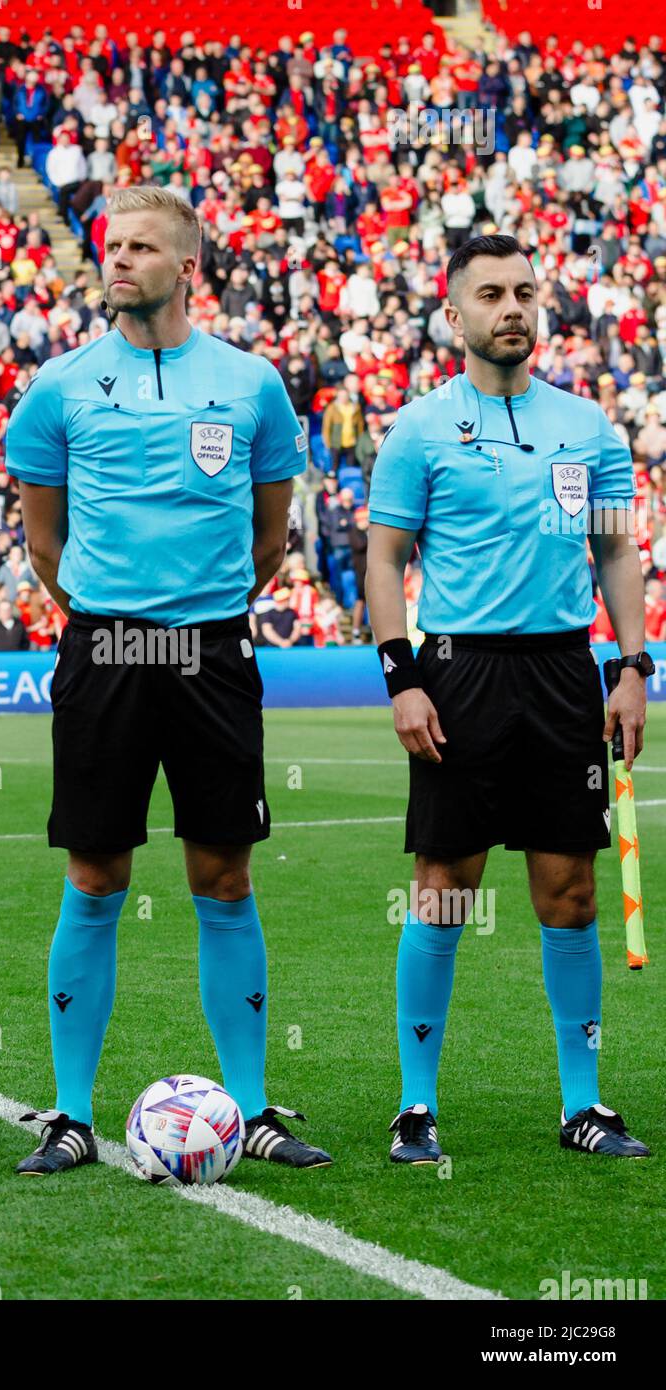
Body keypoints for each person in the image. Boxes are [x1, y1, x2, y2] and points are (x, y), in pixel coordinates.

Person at [6, 185, 332, 1176]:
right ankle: (68, 1112)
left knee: (221, 876)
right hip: (103, 651)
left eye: (141, 247)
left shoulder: (249, 384)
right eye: (112, 245)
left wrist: (195, 605)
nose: (118, 261)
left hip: (211, 653)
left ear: (186, 266)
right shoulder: (59, 385)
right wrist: (111, 611)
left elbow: (268, 536)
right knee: (95, 874)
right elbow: (42, 540)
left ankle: (250, 1105)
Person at [366, 234, 651, 1165]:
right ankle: (415, 1106)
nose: (513, 308)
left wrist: (633, 665)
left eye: (525, 291)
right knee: (445, 890)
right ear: (456, 316)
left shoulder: (590, 429)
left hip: (565, 673)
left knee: (569, 895)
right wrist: (402, 677)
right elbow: (385, 558)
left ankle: (585, 1105)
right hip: (459, 675)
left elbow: (614, 552)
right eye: (491, 294)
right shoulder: (417, 428)